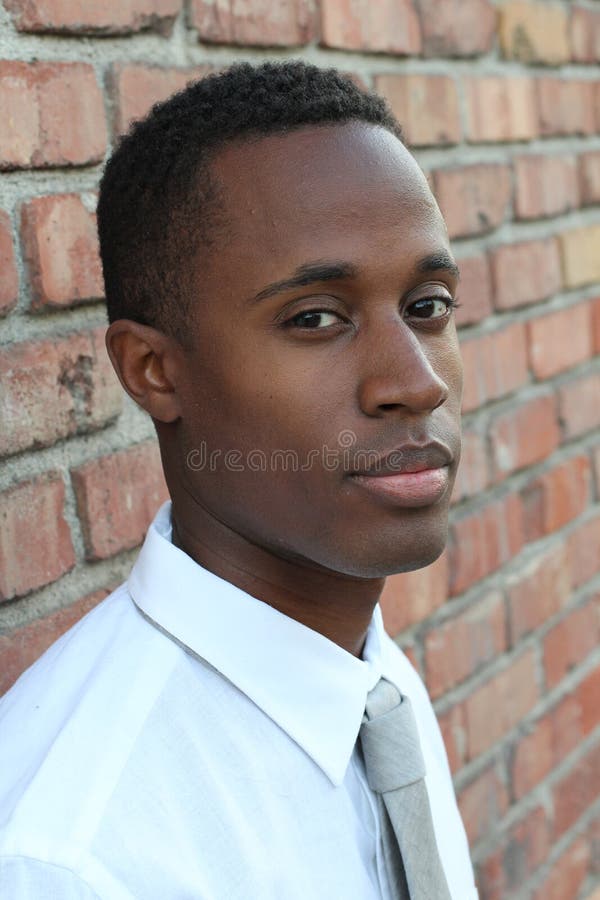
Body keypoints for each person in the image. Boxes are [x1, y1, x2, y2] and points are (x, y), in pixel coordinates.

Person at [0, 61, 477, 899]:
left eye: (427, 306)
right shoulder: (74, 856)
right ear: (153, 371)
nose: (416, 381)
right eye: (315, 318)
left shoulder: (368, 686)